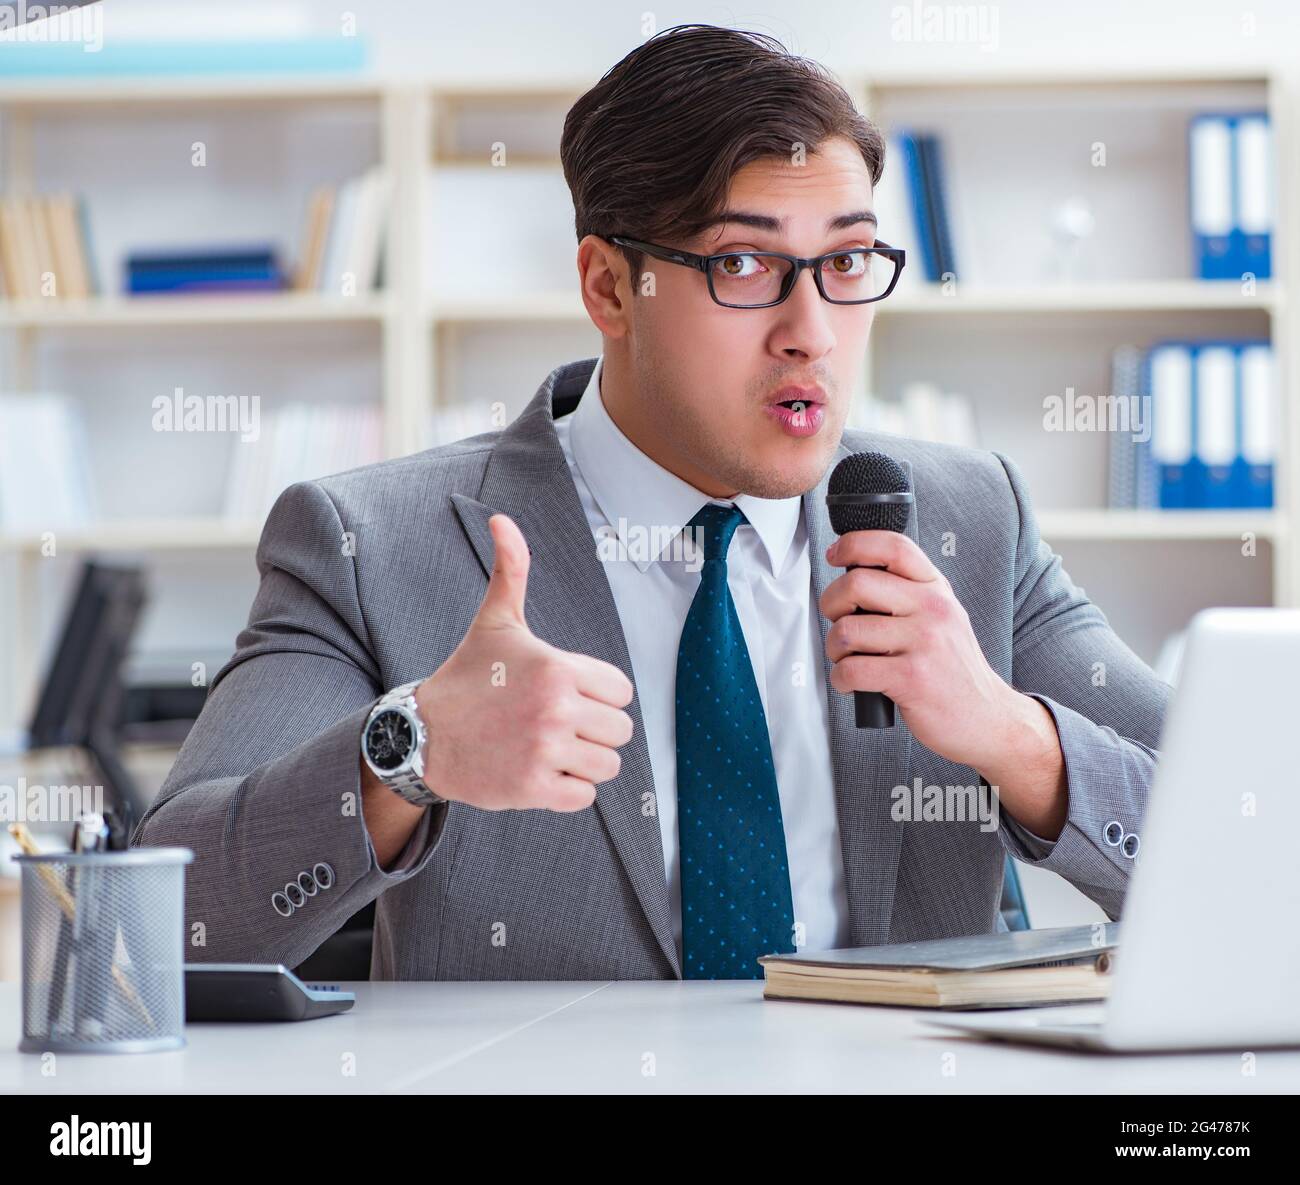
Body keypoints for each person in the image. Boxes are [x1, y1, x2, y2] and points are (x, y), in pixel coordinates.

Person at [135, 24, 1170, 981]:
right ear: (607, 288)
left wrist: (1010, 734)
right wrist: (410, 750)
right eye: (743, 264)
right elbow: (165, 924)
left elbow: (1254, 841)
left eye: (846, 261)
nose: (810, 330)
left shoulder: (970, 520)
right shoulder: (368, 544)